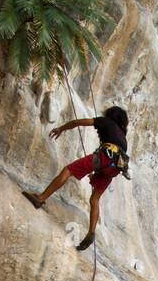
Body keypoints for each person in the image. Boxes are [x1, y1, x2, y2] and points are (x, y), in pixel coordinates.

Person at [22, 105, 129, 251]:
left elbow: (80, 122)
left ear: (111, 115)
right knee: (95, 199)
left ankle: (41, 198)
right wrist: (97, 171)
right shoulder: (123, 138)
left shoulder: (106, 122)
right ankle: (91, 233)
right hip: (115, 167)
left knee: (68, 170)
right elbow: (111, 161)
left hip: (105, 157)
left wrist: (61, 128)